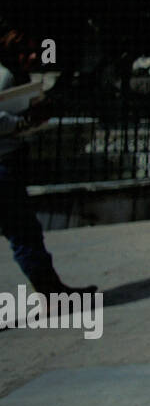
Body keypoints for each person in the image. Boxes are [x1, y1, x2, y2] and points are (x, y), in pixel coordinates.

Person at [0, 29, 98, 297]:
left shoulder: (14, 76)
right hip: (3, 165)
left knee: (25, 232)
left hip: (9, 162)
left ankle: (52, 293)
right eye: (27, 51)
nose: (33, 56)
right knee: (24, 232)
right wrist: (24, 122)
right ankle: (52, 295)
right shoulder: (5, 76)